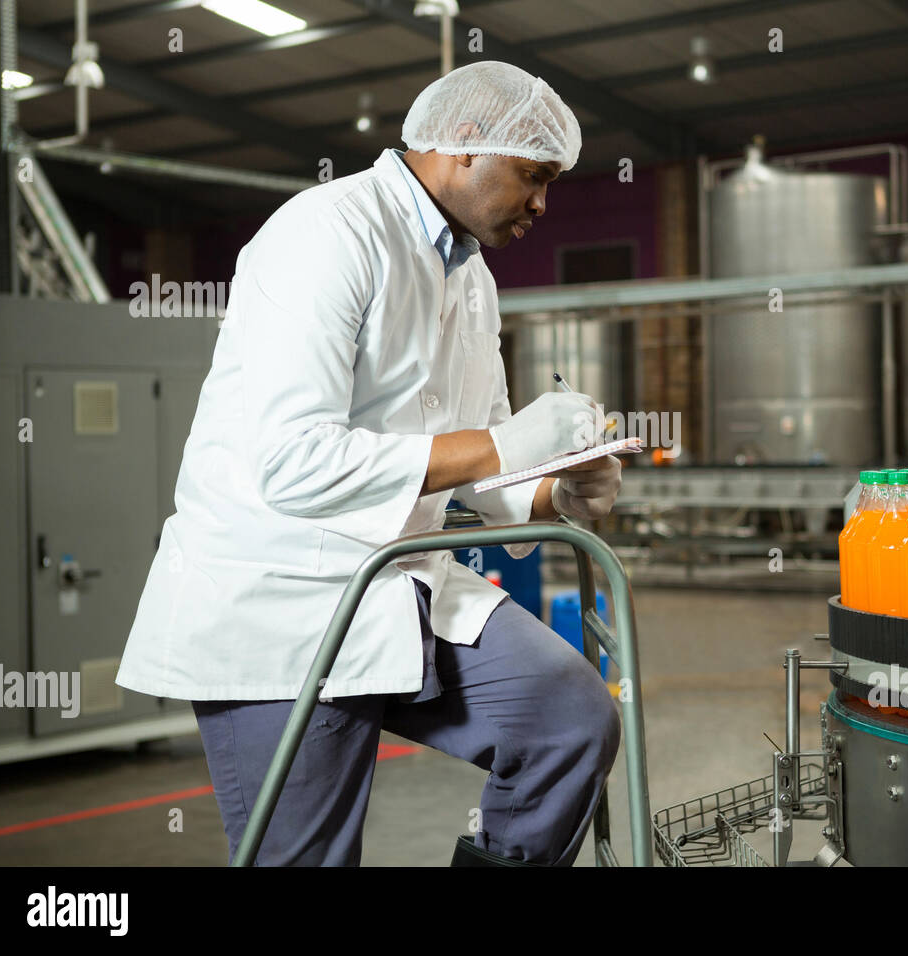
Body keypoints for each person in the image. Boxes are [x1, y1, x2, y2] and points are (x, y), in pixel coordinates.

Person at [116, 61, 624, 867]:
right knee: (311, 857)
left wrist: (561, 488)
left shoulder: (474, 278)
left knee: (567, 718)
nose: (541, 203)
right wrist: (510, 445)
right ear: (463, 146)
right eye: (533, 176)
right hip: (282, 602)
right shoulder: (325, 233)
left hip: (401, 581)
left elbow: (487, 473)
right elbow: (295, 462)